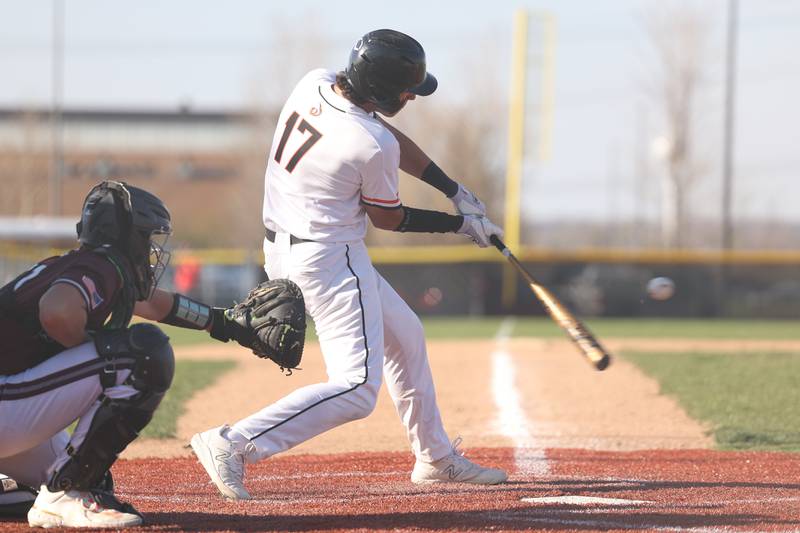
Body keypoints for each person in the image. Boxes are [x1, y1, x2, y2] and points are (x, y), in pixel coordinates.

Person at [190, 28, 507, 501]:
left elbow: (384, 134)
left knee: (406, 337)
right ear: (383, 90)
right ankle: (233, 443)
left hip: (285, 246)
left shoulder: (315, 82)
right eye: (406, 90)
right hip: (329, 258)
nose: (410, 97)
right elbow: (389, 219)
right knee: (357, 388)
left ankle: (435, 458)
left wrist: (452, 187)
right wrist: (460, 225)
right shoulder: (369, 144)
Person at [0, 180, 302, 528]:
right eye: (148, 238)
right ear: (129, 236)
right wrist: (96, 349)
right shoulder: (101, 265)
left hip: (11, 401)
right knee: (141, 356)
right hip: (7, 407)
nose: (151, 250)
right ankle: (66, 494)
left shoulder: (80, 265)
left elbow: (156, 303)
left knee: (87, 473)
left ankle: (61, 489)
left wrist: (224, 323)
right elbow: (58, 311)